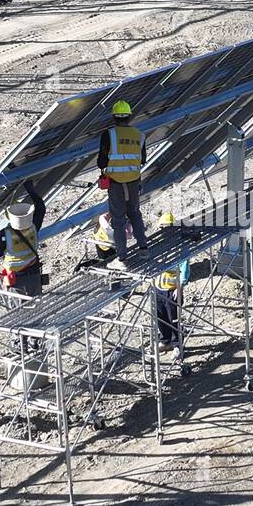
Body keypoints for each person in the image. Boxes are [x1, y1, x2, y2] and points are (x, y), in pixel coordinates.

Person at [97, 100, 149, 271]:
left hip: (116, 184)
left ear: (114, 117)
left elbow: (101, 161)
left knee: (118, 220)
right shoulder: (139, 135)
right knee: (134, 213)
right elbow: (142, 160)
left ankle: (122, 259)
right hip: (134, 182)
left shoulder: (109, 135)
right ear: (129, 116)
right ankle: (143, 249)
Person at [0, 179, 47, 299]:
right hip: (34, 274)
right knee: (37, 303)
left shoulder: (5, 235)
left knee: (20, 308)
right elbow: (41, 208)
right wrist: (31, 191)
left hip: (16, 278)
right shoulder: (34, 227)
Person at [151, 212, 188, 352]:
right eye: (162, 228)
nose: (164, 231)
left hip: (172, 290)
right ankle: (165, 341)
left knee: (174, 320)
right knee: (160, 317)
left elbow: (184, 269)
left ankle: (177, 345)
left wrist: (180, 288)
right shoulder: (158, 245)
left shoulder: (179, 246)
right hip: (158, 288)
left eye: (167, 228)